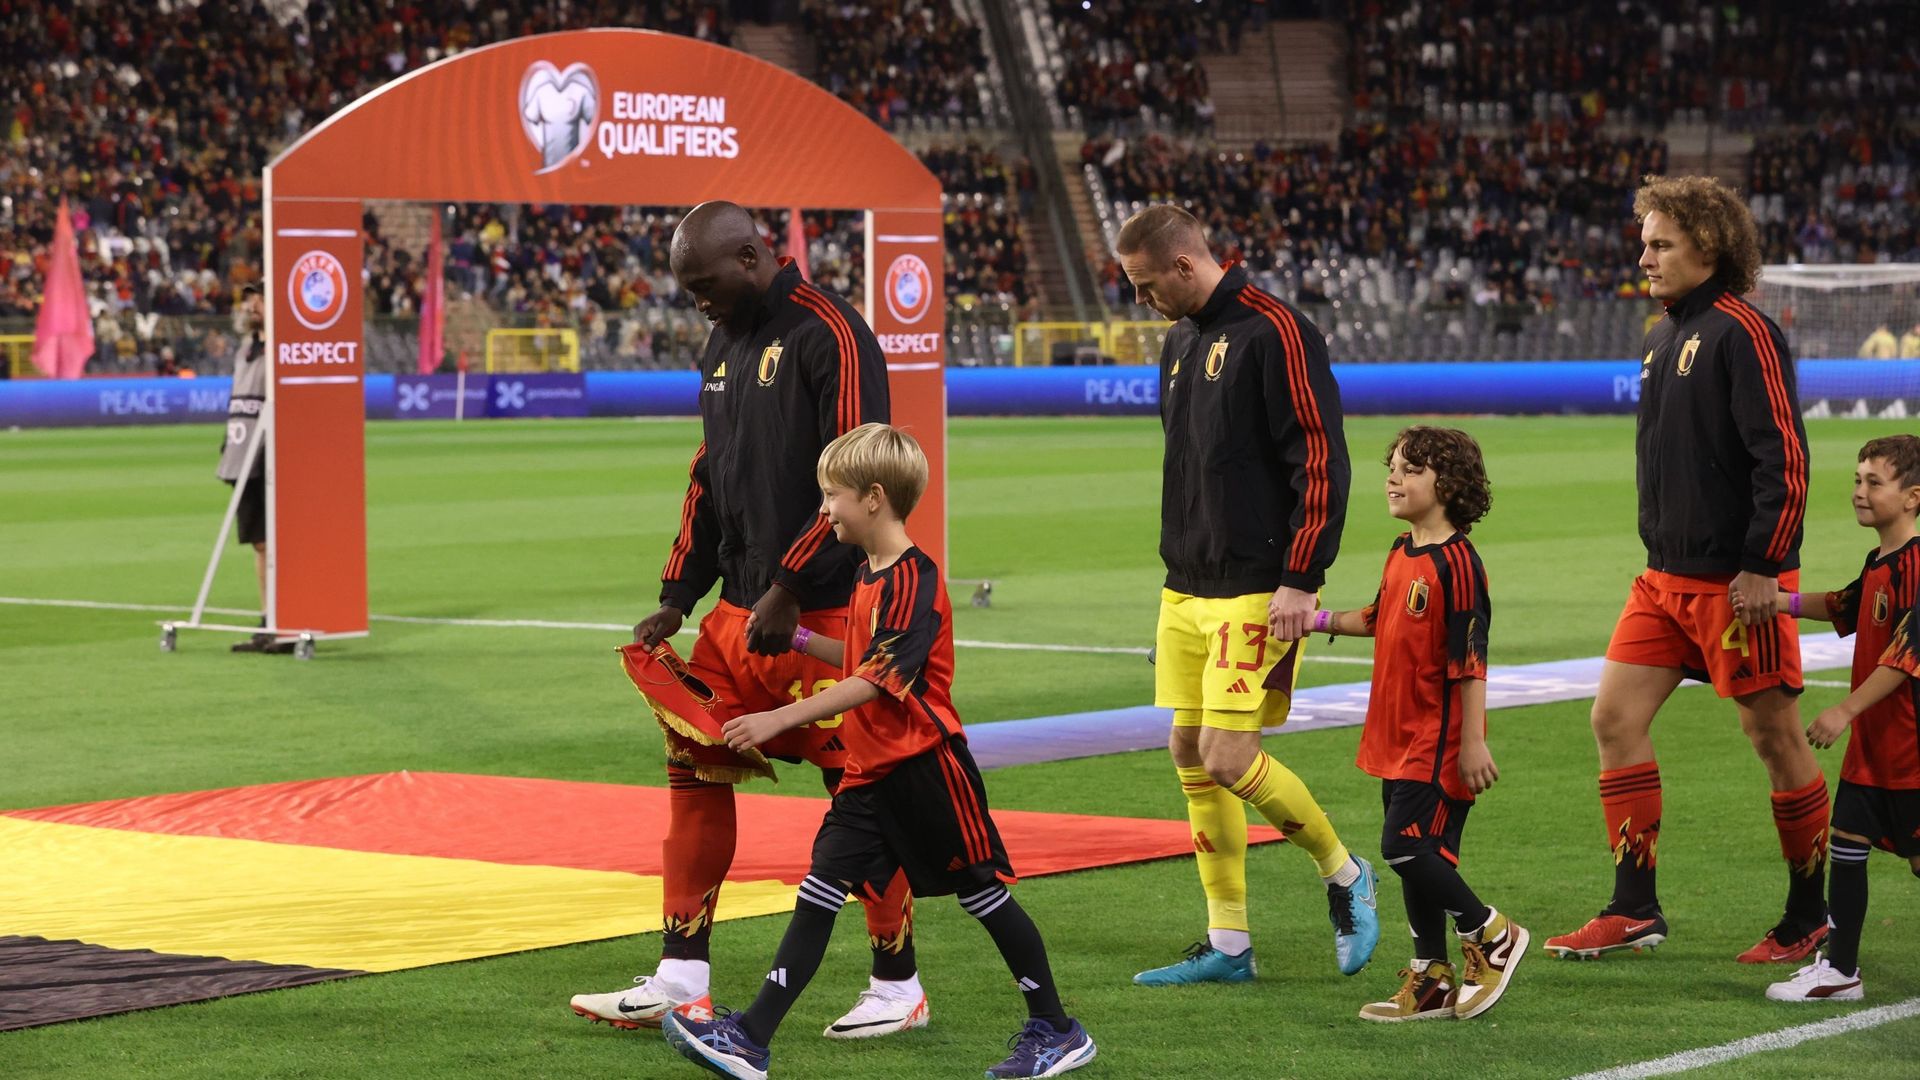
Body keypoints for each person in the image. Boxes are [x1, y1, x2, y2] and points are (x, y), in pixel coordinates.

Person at [569, 202, 929, 1039]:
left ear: (751, 256)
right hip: (736, 616)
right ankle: (680, 975)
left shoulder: (832, 333)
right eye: (688, 288)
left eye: (705, 284)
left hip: (825, 615)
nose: (697, 301)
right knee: (693, 775)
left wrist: (792, 585)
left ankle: (898, 983)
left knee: (859, 798)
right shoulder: (721, 341)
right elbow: (711, 473)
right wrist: (679, 592)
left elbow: (860, 475)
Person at [663, 423, 1096, 1080]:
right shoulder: (869, 574)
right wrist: (799, 640)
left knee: (984, 896)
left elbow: (875, 678)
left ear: (872, 497)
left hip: (927, 768)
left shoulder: (915, 578)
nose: (824, 511)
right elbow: (862, 655)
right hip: (870, 772)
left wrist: (777, 717)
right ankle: (749, 1039)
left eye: (831, 496)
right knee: (818, 893)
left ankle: (1057, 1030)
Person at [1545, 176, 1827, 963]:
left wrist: (1764, 566)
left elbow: (1785, 457)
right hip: (1662, 579)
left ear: (1709, 246)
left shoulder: (1744, 331)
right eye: (1645, 243)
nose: (1645, 258)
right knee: (1613, 720)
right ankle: (1634, 907)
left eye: (1661, 244)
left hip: (1738, 585)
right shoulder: (1660, 336)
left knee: (1773, 737)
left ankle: (1811, 913)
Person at [1115, 204, 1380, 987]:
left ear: (1185, 265)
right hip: (1186, 584)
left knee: (1229, 756)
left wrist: (1302, 577)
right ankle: (1228, 943)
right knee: (1188, 751)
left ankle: (1345, 872)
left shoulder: (1278, 330)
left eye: (1145, 284)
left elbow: (1319, 459)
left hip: (1256, 587)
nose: (1140, 301)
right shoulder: (1180, 341)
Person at [1315, 427, 1529, 1022]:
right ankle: (1431, 977)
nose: (1394, 478)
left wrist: (1473, 742)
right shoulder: (1400, 550)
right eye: (1393, 467)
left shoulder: (1459, 564)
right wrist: (1316, 620)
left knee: (1404, 847)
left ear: (1449, 484)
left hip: (1437, 740)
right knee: (1420, 853)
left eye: (1411, 470)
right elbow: (1377, 617)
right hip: (1396, 732)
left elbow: (1470, 659)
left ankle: (1491, 932)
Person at [1766, 435, 1920, 1002]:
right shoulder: (1881, 561)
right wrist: (1776, 602)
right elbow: (1846, 604)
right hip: (1875, 748)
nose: (1859, 491)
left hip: (1910, 748)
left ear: (1913, 497)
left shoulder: (1918, 564)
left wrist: (1843, 710)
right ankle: (1841, 970)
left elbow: (1906, 656)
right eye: (1857, 480)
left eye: (1874, 482)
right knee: (1848, 845)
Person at [215, 287, 288, 655]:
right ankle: (268, 619)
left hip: (271, 455)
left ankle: (286, 618)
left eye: (259, 299)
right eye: (248, 300)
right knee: (260, 543)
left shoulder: (283, 351)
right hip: (244, 454)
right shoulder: (246, 350)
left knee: (278, 542)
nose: (251, 305)